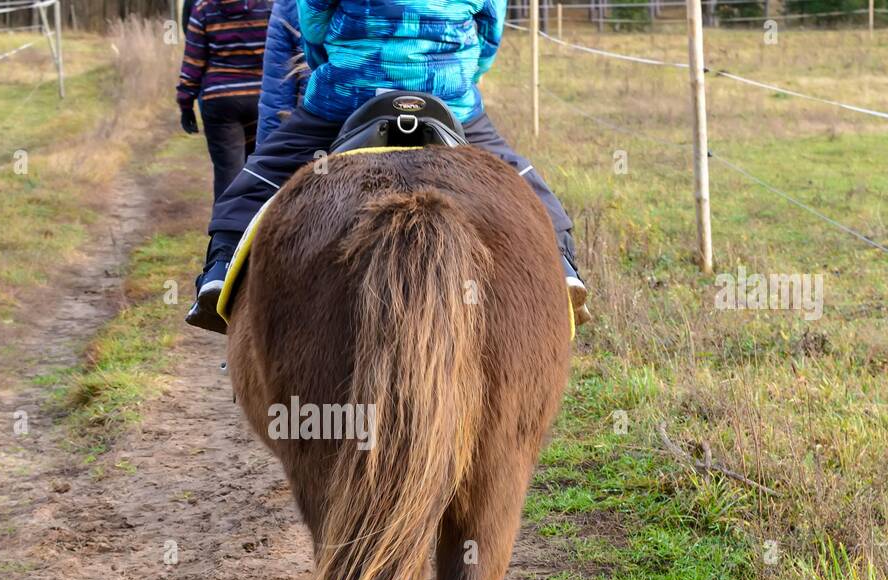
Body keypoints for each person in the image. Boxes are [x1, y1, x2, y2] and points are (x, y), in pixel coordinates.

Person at [185, 0, 587, 334]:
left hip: (345, 98)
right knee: (523, 182)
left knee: (262, 173)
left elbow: (312, 22)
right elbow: (490, 36)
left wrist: (329, 61)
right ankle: (561, 264)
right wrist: (464, 75)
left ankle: (220, 267)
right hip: (451, 100)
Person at [177, 0, 271, 203]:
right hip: (261, 97)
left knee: (228, 175)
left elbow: (193, 61)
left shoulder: (204, 8)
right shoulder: (269, 5)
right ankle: (258, 231)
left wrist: (186, 104)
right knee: (261, 172)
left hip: (220, 100)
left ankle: (225, 231)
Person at [256, 0, 309, 148]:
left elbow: (276, 98)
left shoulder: (290, 5)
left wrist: (267, 157)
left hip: (316, 133)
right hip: (374, 125)